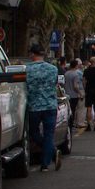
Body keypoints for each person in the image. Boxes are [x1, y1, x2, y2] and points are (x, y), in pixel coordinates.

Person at [23, 44, 62, 172]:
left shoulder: (26, 69)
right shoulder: (53, 69)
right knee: (49, 134)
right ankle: (45, 163)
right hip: (50, 105)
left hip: (34, 106)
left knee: (33, 133)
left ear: (32, 54)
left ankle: (51, 152)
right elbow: (55, 85)